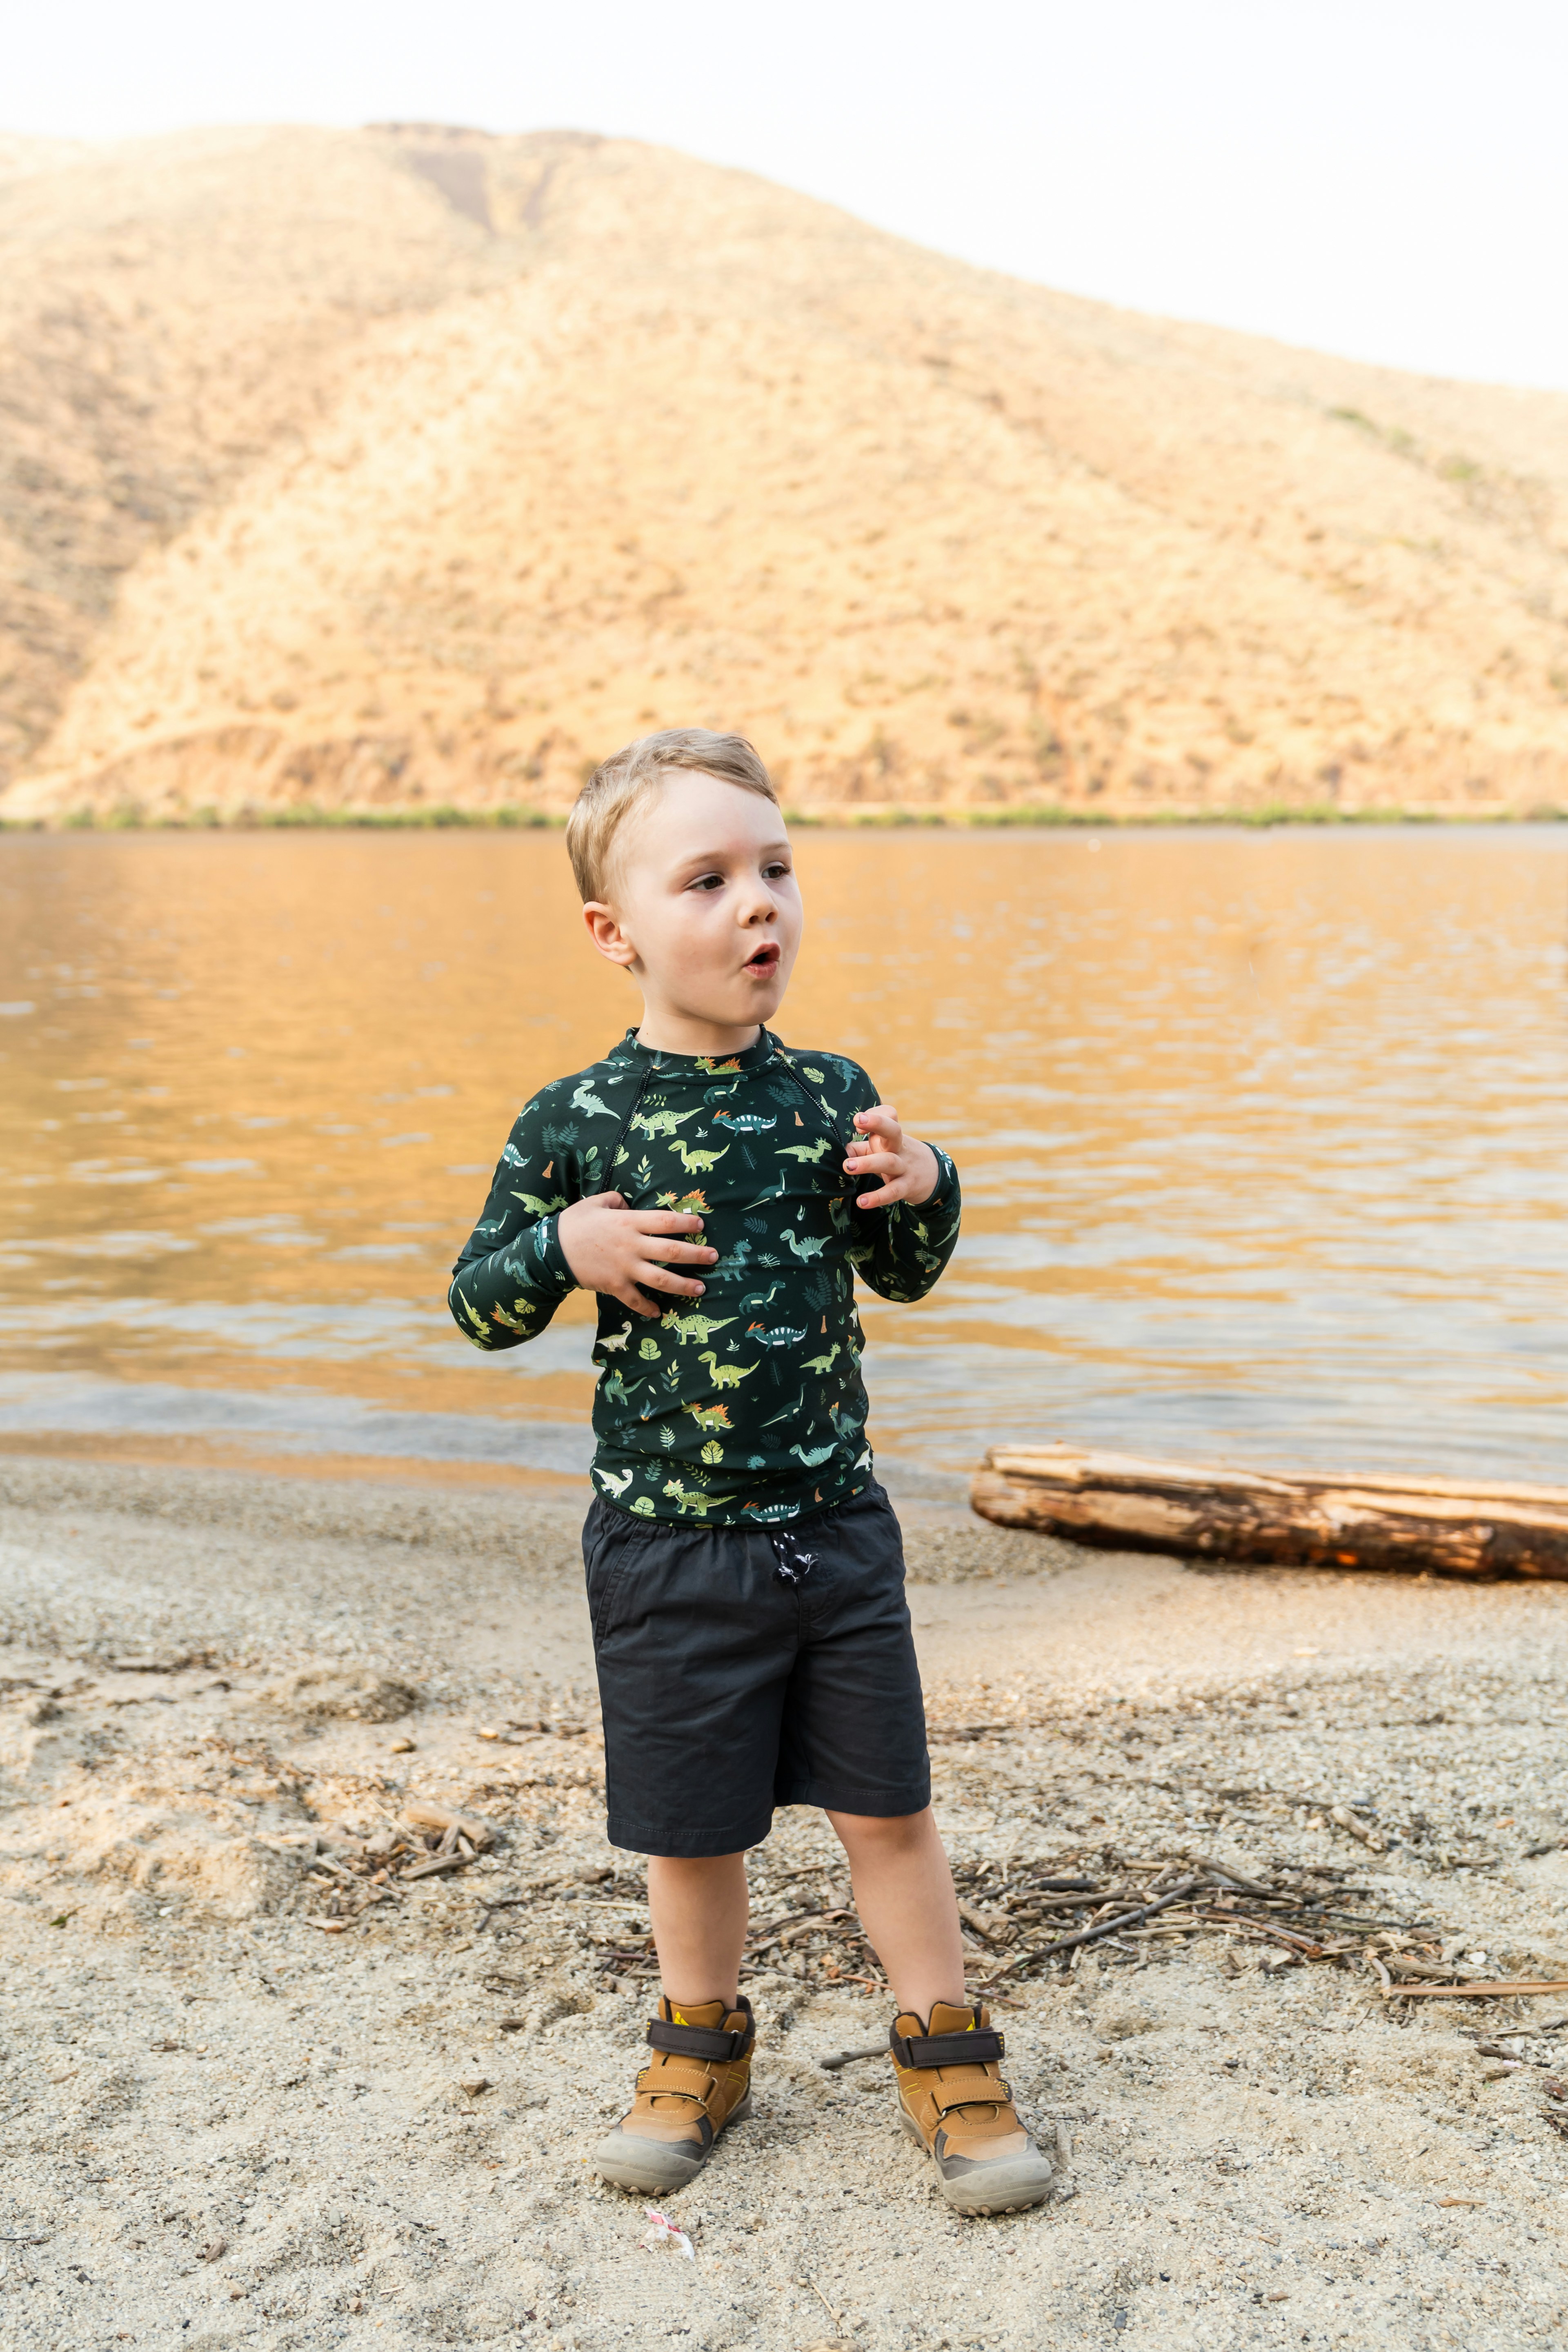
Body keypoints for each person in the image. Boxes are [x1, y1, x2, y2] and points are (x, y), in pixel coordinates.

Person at [447, 729, 1054, 2218]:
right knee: (690, 1822)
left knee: (888, 1809)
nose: (755, 905)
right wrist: (564, 1246)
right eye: (707, 879)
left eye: (774, 869)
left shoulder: (828, 1091)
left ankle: (947, 2054)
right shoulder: (574, 1120)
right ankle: (698, 2049)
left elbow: (901, 1271)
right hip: (664, 1545)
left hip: (834, 1533)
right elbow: (478, 1300)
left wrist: (929, 1184)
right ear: (617, 931)